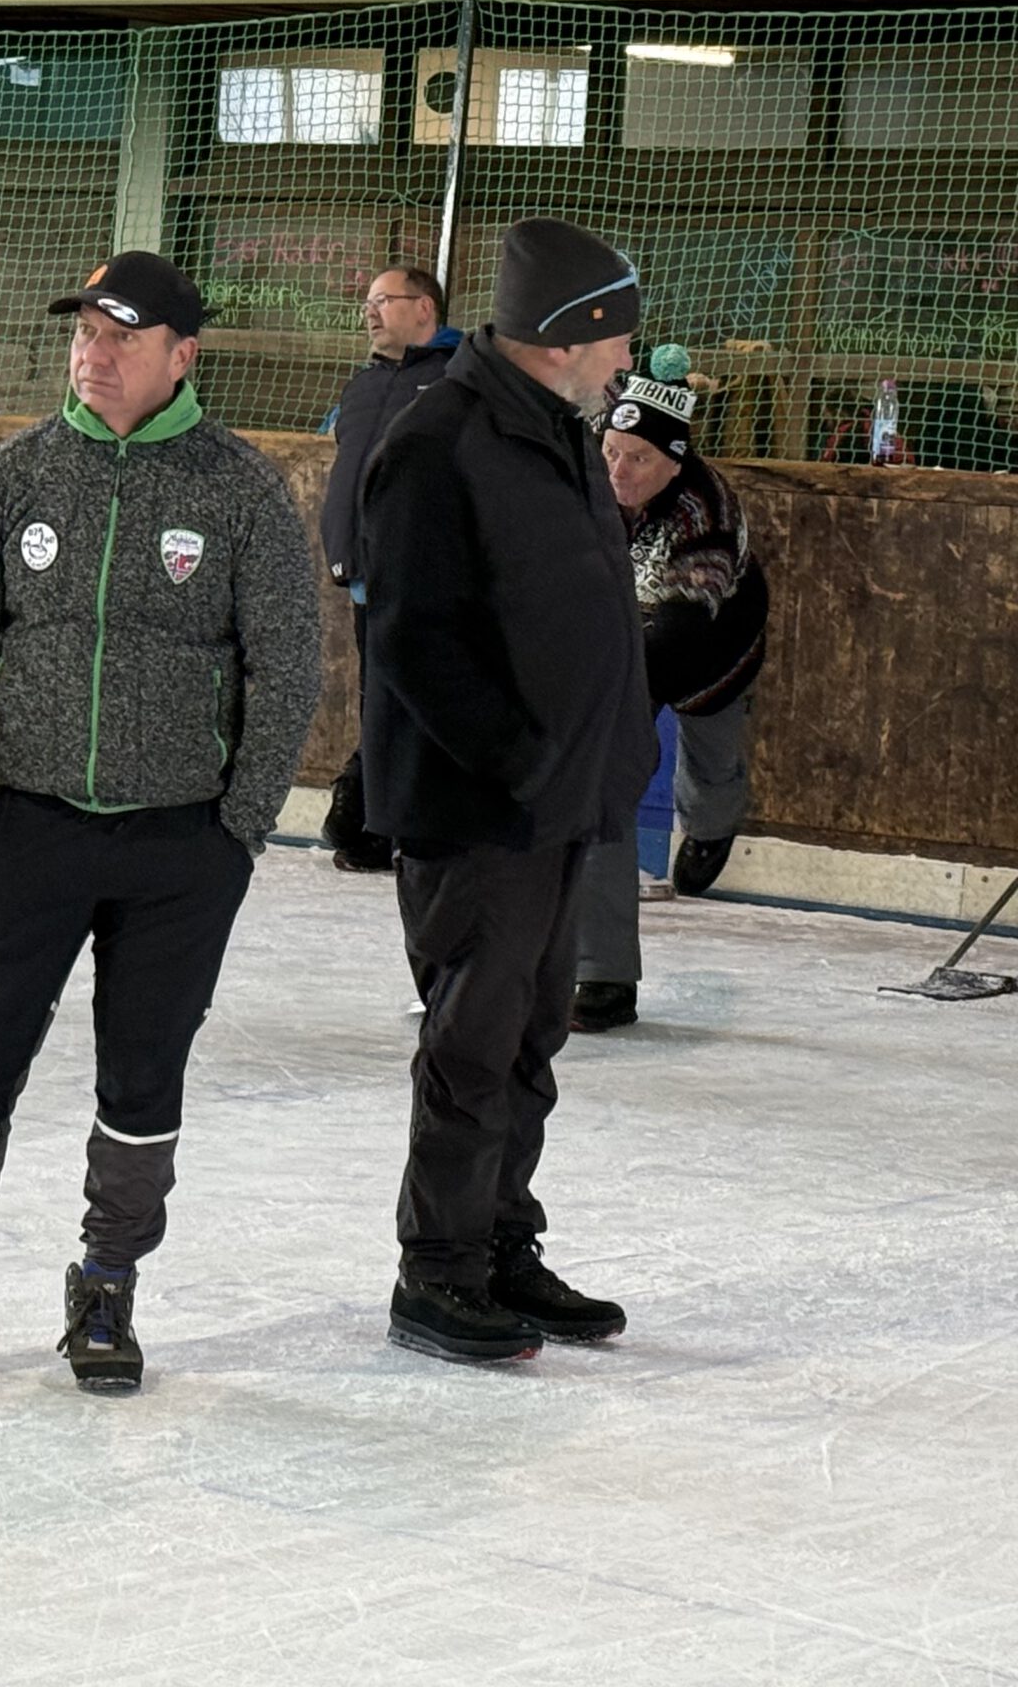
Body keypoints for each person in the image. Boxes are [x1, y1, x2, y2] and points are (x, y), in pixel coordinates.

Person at [0, 252, 323, 1391]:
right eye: (83, 335)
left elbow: (288, 668)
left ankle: (107, 1289)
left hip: (178, 847)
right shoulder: (13, 480)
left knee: (143, 1075)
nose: (92, 356)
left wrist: (238, 825)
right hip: (27, 832)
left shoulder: (239, 490)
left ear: (180, 356)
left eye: (120, 337)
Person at [358, 217, 655, 1365]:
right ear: (572, 333)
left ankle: (496, 1246)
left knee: (528, 1037)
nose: (626, 357)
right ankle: (434, 1273)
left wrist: (599, 757)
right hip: (480, 809)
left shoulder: (559, 432)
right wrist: (520, 759)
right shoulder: (442, 438)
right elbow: (413, 640)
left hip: (560, 802)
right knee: (472, 1046)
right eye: (617, 334)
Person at [571, 358, 772, 1033]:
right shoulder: (592, 479)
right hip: (625, 630)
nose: (618, 472)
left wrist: (599, 686)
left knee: (710, 757)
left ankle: (713, 826)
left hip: (709, 649)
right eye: (612, 453)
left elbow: (678, 640)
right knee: (602, 782)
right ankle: (602, 976)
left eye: (638, 460)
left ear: (675, 462)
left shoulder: (704, 517)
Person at [318, 263, 459, 873]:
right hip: (366, 577)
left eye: (383, 300)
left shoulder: (460, 382)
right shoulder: (363, 386)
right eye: (366, 302)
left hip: (430, 580)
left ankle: (401, 821)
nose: (368, 312)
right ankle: (379, 820)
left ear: (424, 307)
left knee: (415, 699)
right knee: (379, 697)